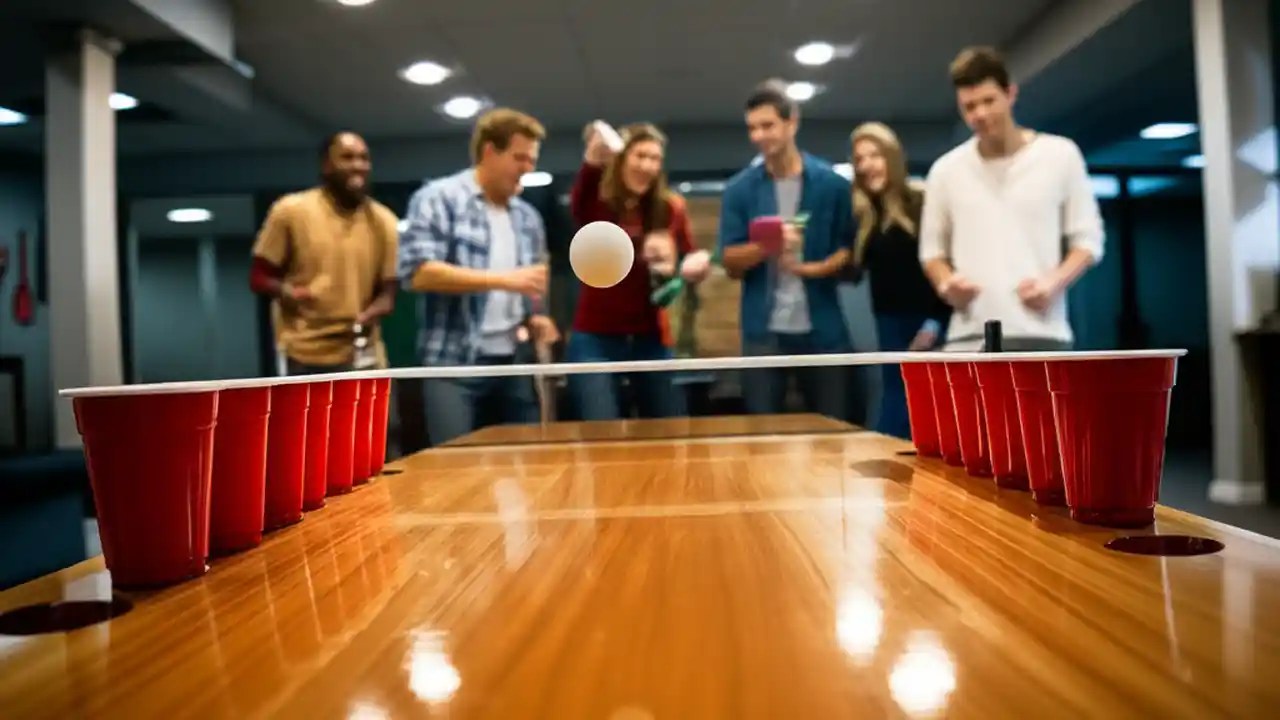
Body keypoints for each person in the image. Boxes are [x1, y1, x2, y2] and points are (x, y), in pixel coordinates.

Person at [919, 46, 1104, 351]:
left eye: (989, 101)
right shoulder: (945, 170)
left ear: (1010, 94)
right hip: (969, 336)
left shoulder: (1060, 155)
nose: (980, 114)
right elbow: (932, 252)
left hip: (1042, 332)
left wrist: (1053, 283)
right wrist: (946, 285)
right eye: (969, 106)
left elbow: (1089, 241)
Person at [397, 108, 559, 446]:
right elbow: (418, 274)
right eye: (520, 158)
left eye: (532, 160)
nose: (528, 169)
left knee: (527, 468)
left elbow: (530, 287)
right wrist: (504, 279)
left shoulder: (528, 217)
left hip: (514, 362)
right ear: (489, 151)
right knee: (456, 467)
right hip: (452, 364)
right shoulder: (437, 199)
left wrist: (537, 316)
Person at [718, 79, 856, 419]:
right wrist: (770, 245)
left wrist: (820, 267)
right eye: (752, 128)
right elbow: (730, 262)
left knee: (834, 432)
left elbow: (851, 253)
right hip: (762, 331)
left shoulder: (833, 185)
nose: (759, 136)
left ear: (792, 122)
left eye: (768, 125)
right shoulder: (740, 190)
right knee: (762, 437)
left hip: (823, 328)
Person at [566, 121, 711, 420]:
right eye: (640, 156)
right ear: (622, 159)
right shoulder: (597, 201)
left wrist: (693, 265)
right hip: (596, 336)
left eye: (655, 158)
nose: (647, 165)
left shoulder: (671, 208)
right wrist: (594, 156)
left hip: (650, 336)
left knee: (667, 428)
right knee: (600, 430)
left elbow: (687, 258)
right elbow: (580, 199)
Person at [249, 131, 399, 374]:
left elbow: (388, 293)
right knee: (309, 414)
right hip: (304, 350)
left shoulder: (385, 221)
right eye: (347, 157)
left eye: (363, 158)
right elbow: (258, 276)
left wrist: (372, 312)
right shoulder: (291, 211)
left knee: (378, 413)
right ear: (327, 165)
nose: (358, 166)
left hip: (361, 350)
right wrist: (288, 292)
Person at [848, 122, 951, 439]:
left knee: (931, 402)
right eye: (860, 159)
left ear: (891, 157)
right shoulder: (865, 214)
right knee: (896, 398)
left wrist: (935, 322)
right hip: (887, 321)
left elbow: (947, 263)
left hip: (929, 318)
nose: (866, 165)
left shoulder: (920, 201)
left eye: (874, 155)